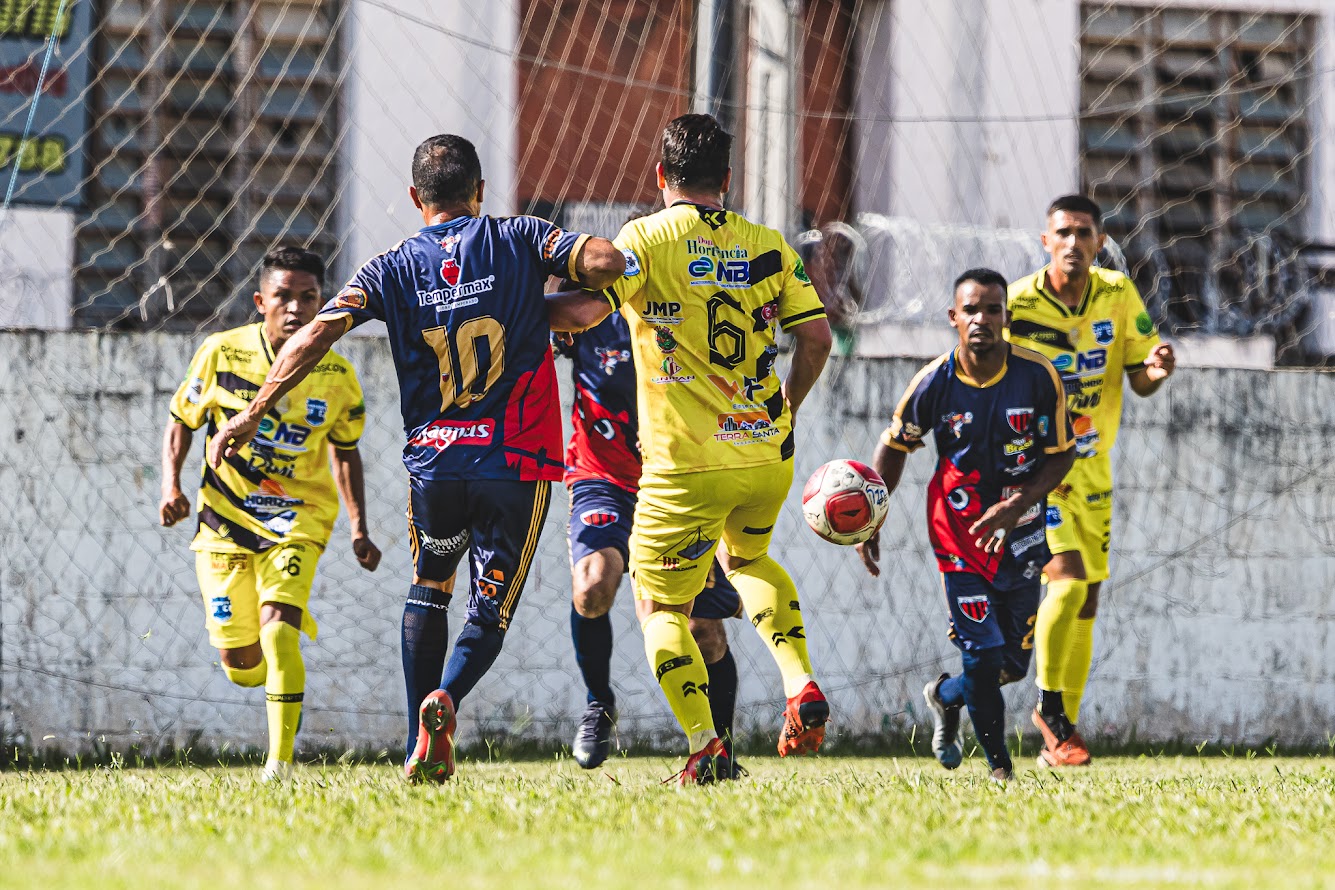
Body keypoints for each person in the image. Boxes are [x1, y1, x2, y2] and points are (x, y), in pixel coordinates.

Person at [207, 135, 624, 783]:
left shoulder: (388, 268)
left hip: (435, 464)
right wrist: (544, 301)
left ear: (414, 198)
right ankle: (446, 701)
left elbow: (318, 332)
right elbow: (603, 262)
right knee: (489, 607)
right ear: (479, 191)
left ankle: (414, 742)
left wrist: (254, 408)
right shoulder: (517, 235)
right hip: (514, 460)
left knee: (429, 587)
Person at [549, 113, 834, 784]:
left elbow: (587, 312)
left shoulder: (645, 238)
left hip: (683, 466)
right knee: (751, 559)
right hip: (764, 453)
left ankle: (704, 744)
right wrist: (788, 404)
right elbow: (816, 338)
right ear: (726, 181)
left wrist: (519, 305)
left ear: (659, 175)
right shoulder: (767, 242)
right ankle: (798, 683)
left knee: (661, 609)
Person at [160, 246, 381, 783]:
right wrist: (171, 485)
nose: (296, 308)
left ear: (322, 303)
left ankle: (278, 765)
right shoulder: (221, 353)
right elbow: (182, 420)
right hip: (223, 522)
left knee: (279, 633)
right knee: (242, 669)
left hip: (299, 515)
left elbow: (345, 450)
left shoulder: (336, 374)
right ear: (261, 301)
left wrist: (358, 526)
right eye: (283, 296)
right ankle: (272, 651)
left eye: (309, 298)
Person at [855, 269, 1075, 783]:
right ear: (954, 317)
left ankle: (946, 697)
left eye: (993, 309)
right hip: (959, 538)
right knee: (981, 653)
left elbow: (1061, 457)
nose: (982, 320)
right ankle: (1000, 767)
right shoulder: (934, 382)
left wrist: (1018, 504)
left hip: (1020, 535)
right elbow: (894, 445)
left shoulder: (1038, 375)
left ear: (1007, 317)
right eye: (971, 310)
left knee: (1011, 667)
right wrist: (874, 515)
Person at [1007, 195, 1175, 766]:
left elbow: (1141, 374)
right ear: (1045, 240)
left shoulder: (1118, 294)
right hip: (1037, 473)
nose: (1074, 242)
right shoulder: (1018, 303)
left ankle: (1060, 739)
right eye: (1063, 232)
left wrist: (1155, 369)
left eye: (1084, 233)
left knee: (1087, 602)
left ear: (1100, 241)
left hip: (1094, 471)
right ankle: (1047, 705)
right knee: (1068, 582)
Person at [556, 310, 746, 772]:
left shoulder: (694, 317)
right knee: (592, 587)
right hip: (602, 478)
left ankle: (717, 750)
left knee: (704, 632)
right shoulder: (587, 316)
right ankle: (600, 704)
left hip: (678, 485)